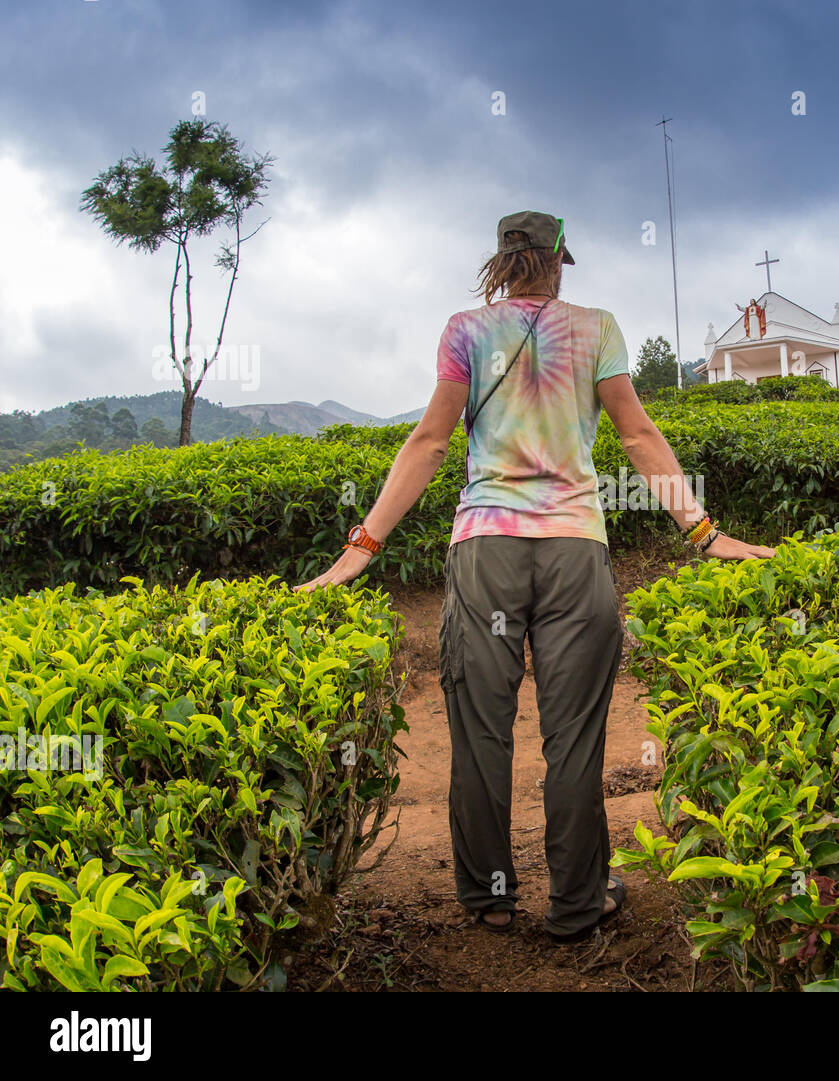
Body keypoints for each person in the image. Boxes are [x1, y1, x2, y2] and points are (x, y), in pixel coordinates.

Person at [296, 210, 775, 943]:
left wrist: (362, 545)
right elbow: (638, 434)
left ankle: (488, 898)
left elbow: (428, 442)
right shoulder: (597, 328)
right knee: (574, 738)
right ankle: (580, 902)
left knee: (481, 731)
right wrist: (703, 532)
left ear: (502, 261)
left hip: (485, 549)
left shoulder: (464, 329)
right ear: (560, 262)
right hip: (574, 548)